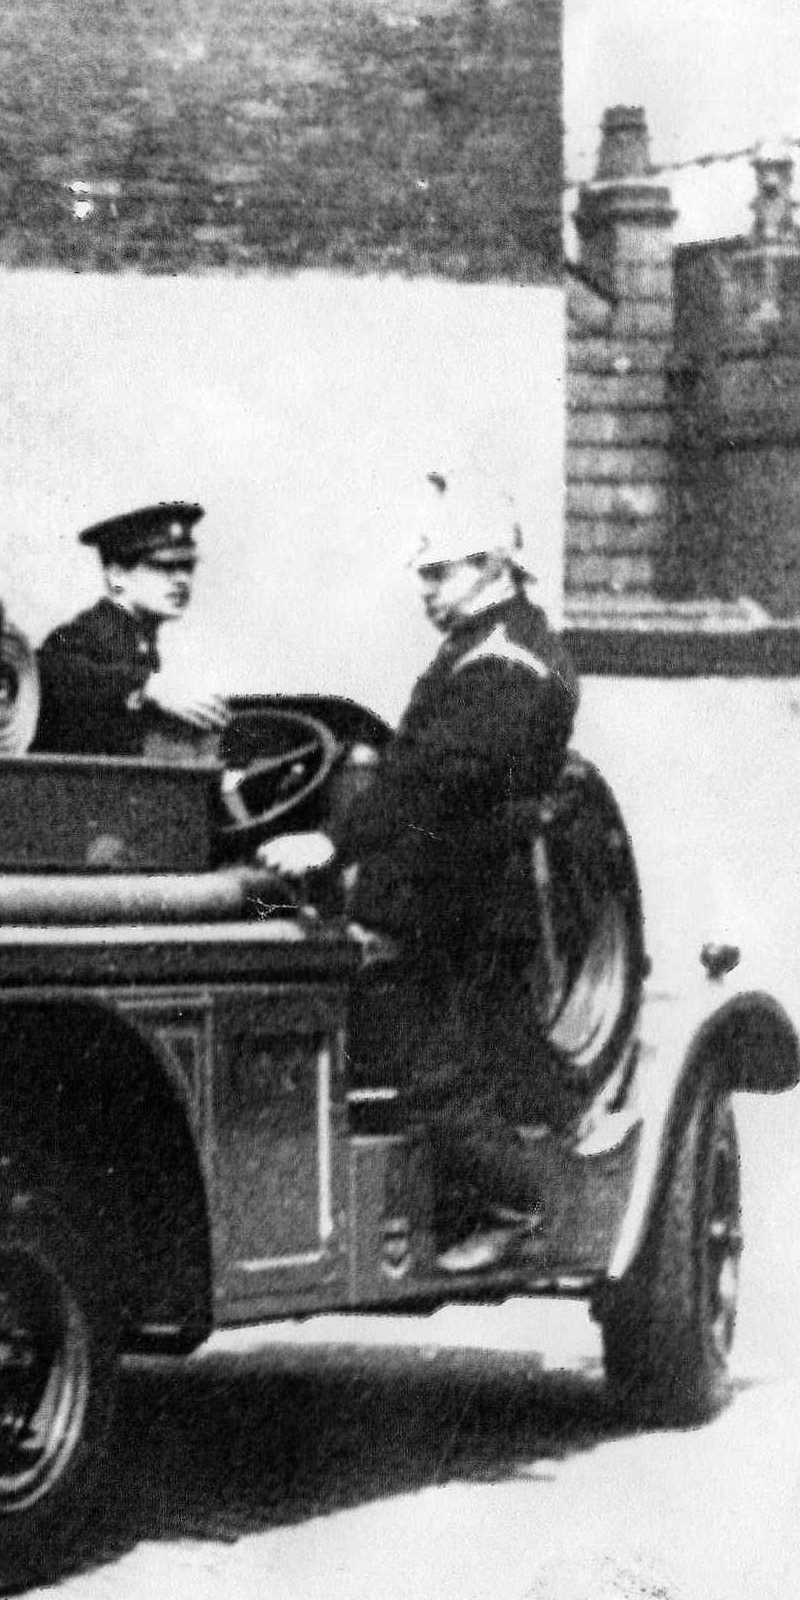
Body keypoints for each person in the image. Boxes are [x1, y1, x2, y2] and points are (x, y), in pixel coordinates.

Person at [258, 475, 581, 1273]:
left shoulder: (506, 665)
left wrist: (332, 843)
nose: (426, 592)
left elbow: (431, 778)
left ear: (492, 567)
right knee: (502, 1056)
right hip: (468, 899)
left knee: (431, 1075)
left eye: (438, 575)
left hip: (465, 904)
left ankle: (525, 1202)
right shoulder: (494, 646)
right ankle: (556, 1144)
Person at [33, 501, 231, 758]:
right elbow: (50, 673)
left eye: (187, 567)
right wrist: (146, 687)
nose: (182, 579)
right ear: (117, 576)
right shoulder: (86, 632)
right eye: (164, 567)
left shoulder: (137, 640)